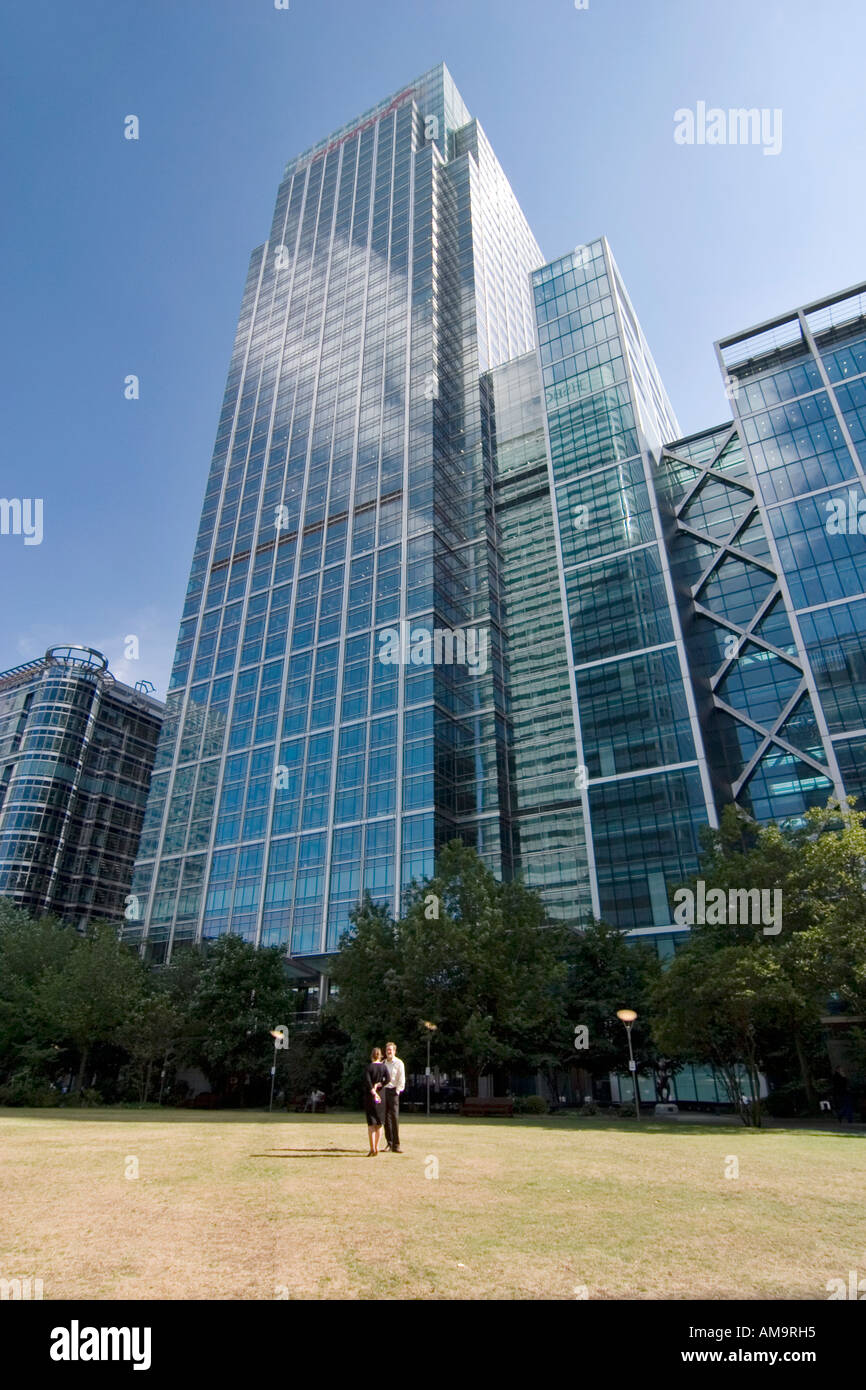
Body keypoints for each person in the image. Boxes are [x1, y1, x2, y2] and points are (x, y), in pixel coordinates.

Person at [364, 1047, 389, 1156]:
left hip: (370, 1097)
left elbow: (367, 1081)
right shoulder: (383, 1067)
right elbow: (388, 1079)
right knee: (379, 1124)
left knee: (371, 1124)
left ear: (371, 1055)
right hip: (381, 1096)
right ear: (380, 1056)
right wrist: (380, 1085)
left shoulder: (369, 1067)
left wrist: (373, 1092)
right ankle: (377, 1147)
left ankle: (372, 1148)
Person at [382, 1041, 406, 1153]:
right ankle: (389, 1143)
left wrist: (397, 1091)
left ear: (394, 1051)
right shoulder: (383, 1063)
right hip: (384, 1091)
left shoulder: (399, 1063)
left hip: (394, 1092)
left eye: (391, 1050)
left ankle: (396, 1145)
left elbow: (402, 1078)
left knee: (394, 1118)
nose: (389, 1052)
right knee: (386, 1119)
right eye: (387, 1050)